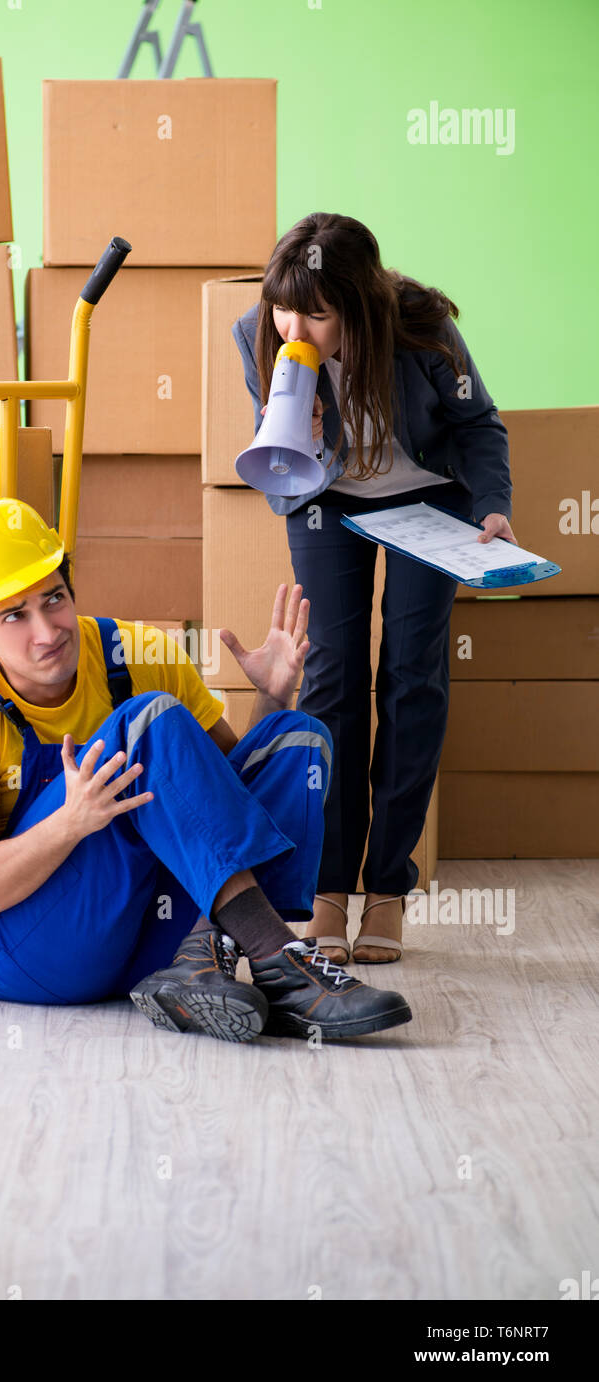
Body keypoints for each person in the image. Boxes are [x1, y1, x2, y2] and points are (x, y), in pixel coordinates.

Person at [0, 496, 413, 1044]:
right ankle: (280, 959)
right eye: (14, 615)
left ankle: (202, 959)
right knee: (145, 723)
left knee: (295, 741)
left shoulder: (137, 652)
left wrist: (270, 698)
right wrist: (69, 823)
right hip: (33, 950)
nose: (47, 631)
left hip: (153, 938)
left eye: (53, 599)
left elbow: (227, 803)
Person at [232, 212, 515, 966]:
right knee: (331, 677)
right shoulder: (256, 333)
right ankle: (327, 888)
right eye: (283, 306)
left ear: (358, 305)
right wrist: (304, 433)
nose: (291, 323)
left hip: (429, 496)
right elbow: (277, 476)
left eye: (314, 313)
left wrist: (491, 504)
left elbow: (477, 425)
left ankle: (387, 886)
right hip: (329, 501)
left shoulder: (422, 329)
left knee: (410, 675)